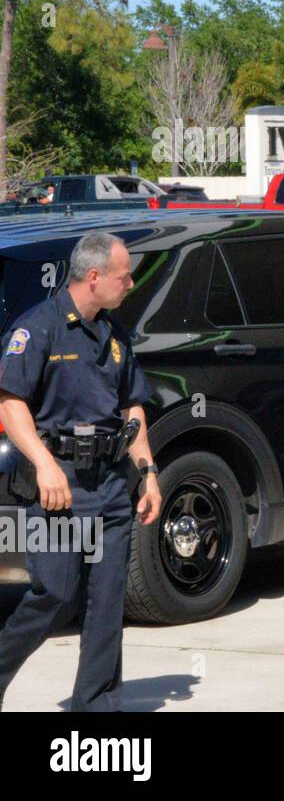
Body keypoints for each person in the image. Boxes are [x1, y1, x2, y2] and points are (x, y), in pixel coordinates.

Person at [0, 232, 162, 711]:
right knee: (54, 593)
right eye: (123, 275)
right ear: (93, 277)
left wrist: (148, 473)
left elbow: (133, 407)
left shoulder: (115, 335)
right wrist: (45, 465)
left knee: (108, 601)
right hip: (57, 486)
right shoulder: (39, 328)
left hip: (110, 484)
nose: (130, 283)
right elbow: (10, 404)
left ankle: (95, 704)